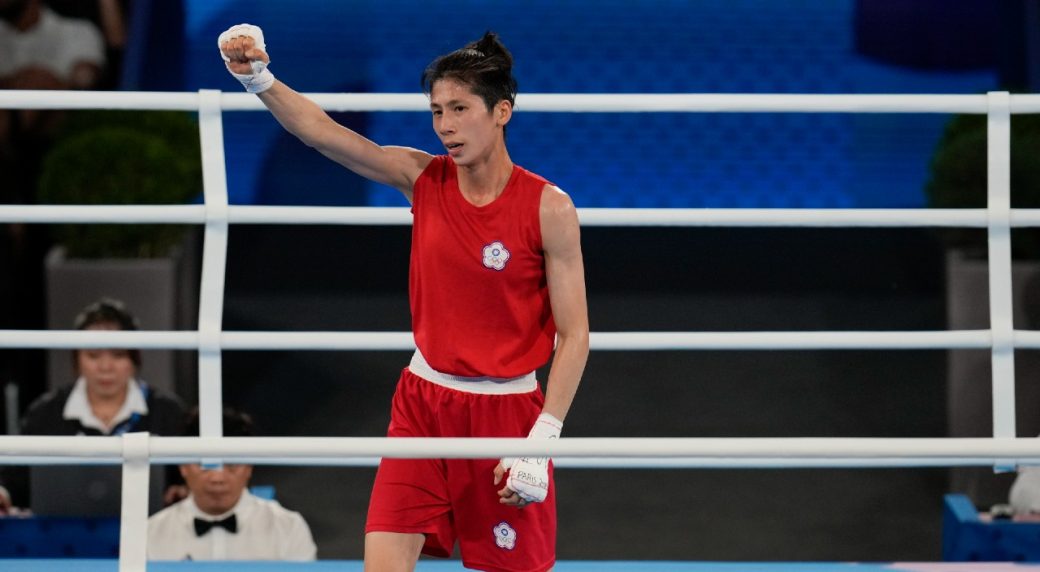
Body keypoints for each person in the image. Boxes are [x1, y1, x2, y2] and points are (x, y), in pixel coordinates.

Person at [218, 24, 589, 572]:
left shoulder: (548, 208)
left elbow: (575, 334)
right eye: (437, 111)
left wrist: (542, 440)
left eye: (460, 109)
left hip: (509, 415)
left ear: (502, 111)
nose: (446, 125)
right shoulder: (421, 178)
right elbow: (323, 133)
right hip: (422, 405)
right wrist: (258, 77)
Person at [0, 297, 185, 513]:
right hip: (63, 533)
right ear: (76, 358)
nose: (105, 367)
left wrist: (185, 491)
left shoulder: (168, 411)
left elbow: (187, 476)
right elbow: (15, 479)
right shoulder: (45, 412)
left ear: (135, 358)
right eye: (93, 355)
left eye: (118, 355)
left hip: (148, 533)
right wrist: (4, 492)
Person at [147, 407, 317, 561]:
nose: (217, 478)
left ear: (249, 466)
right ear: (183, 466)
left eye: (232, 464)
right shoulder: (151, 533)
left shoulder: (288, 527)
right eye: (204, 465)